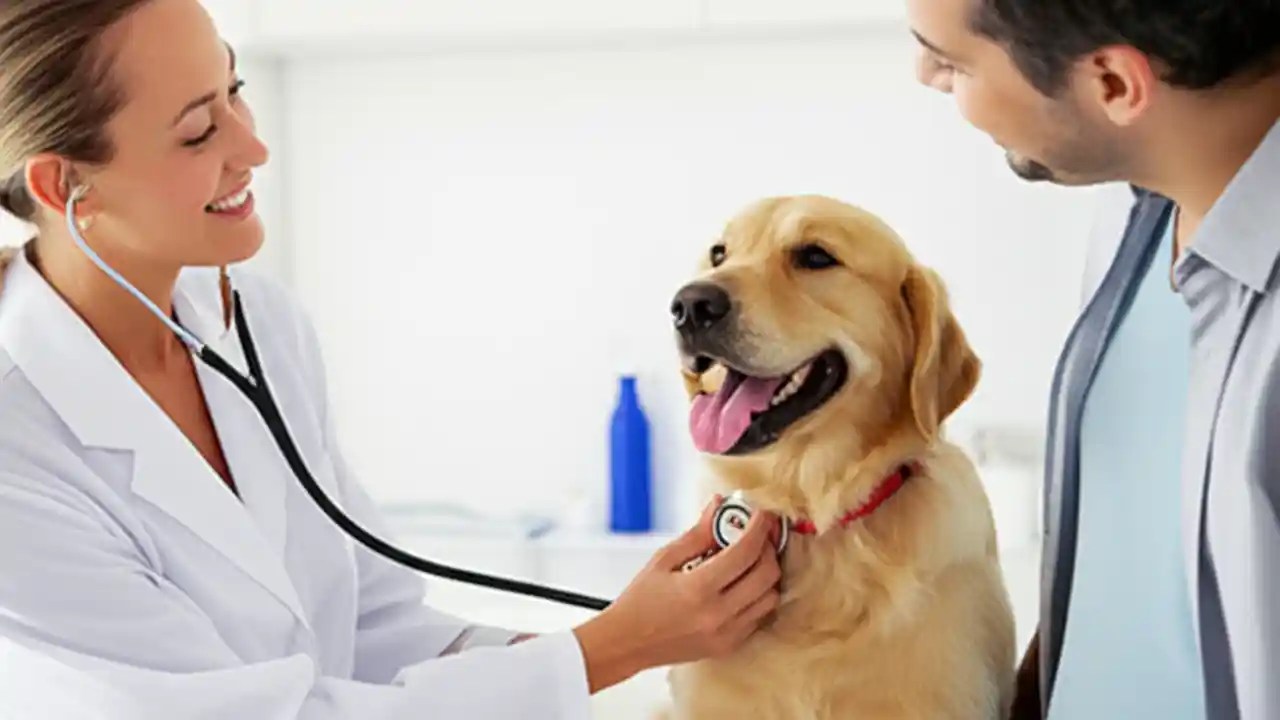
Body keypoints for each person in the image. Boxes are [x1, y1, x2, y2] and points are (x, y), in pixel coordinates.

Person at [0, 1, 783, 717]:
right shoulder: (16, 448)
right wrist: (615, 648)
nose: (253, 147)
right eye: (199, 131)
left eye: (234, 91)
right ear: (64, 185)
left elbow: (375, 631)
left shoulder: (257, 325)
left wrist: (634, 633)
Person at [904, 0, 1280, 717]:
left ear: (1113, 83)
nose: (926, 74)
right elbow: (1132, 556)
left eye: (954, 62)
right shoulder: (1138, 213)